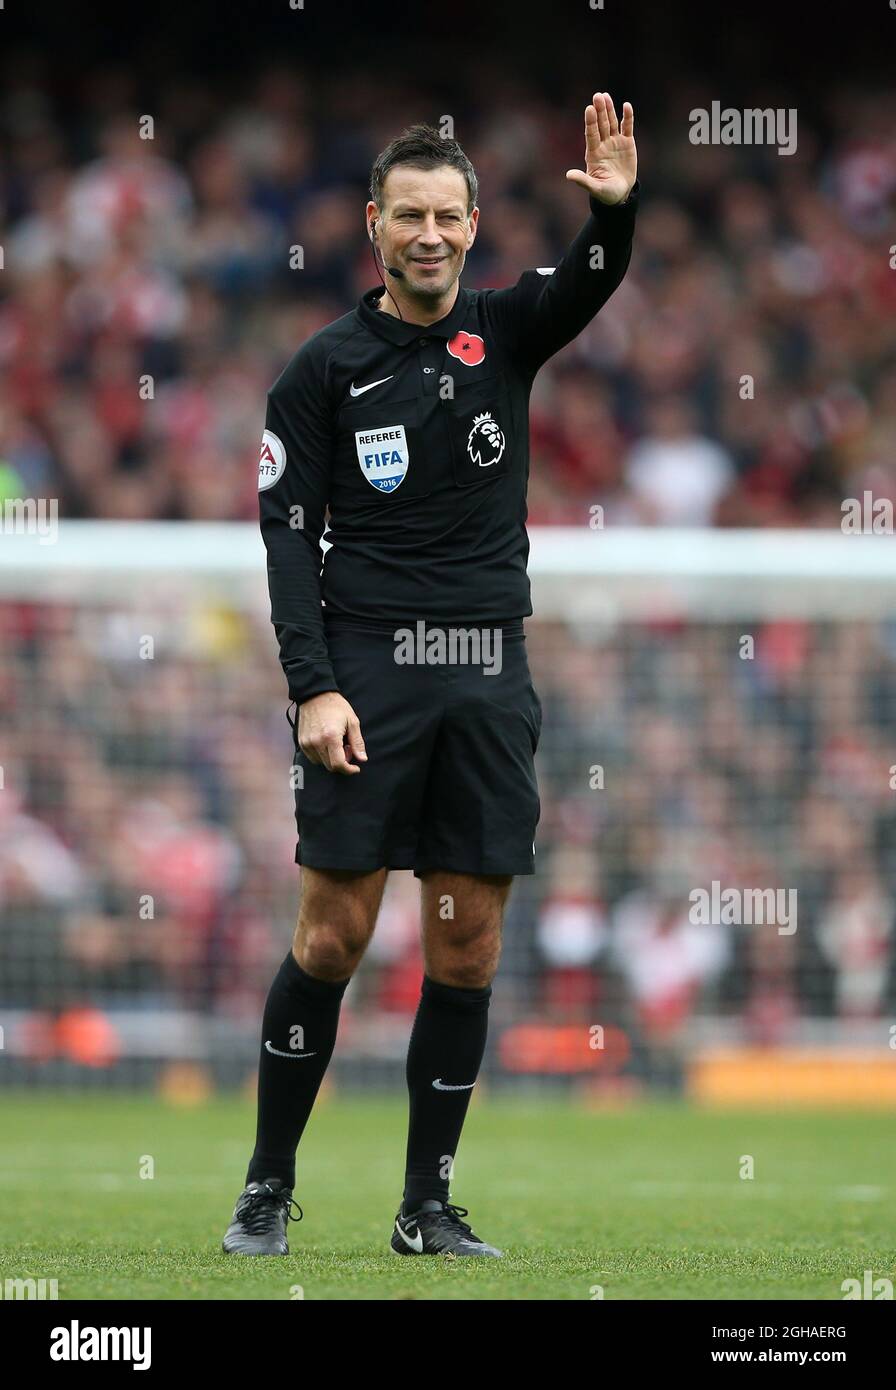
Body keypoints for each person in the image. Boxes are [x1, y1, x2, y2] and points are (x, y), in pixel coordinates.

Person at [223, 93, 639, 1258]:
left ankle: (427, 1206)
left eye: (446, 216)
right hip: (366, 673)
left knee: (465, 943)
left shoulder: (503, 334)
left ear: (469, 226)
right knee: (333, 937)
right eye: (407, 214)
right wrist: (312, 686)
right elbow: (286, 539)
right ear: (373, 224)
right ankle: (265, 1188)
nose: (428, 233)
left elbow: (586, 285)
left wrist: (612, 214)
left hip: (486, 678)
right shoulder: (321, 372)